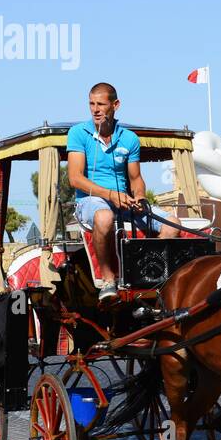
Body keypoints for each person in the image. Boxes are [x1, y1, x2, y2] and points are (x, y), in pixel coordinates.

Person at [67, 82, 180, 301]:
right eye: (91, 104)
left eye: (101, 104)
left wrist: (139, 197)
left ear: (115, 105)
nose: (95, 109)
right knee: (104, 216)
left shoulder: (129, 139)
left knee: (172, 224)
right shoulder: (78, 133)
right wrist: (110, 195)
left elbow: (136, 179)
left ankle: (147, 273)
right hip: (91, 202)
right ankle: (109, 280)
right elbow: (75, 178)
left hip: (123, 202)